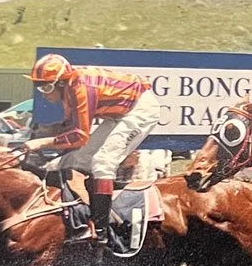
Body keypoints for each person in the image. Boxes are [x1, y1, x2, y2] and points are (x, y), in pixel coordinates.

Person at [22, 54, 160, 246]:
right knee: (81, 160)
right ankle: (88, 213)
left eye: (46, 87)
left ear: (61, 83)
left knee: (103, 162)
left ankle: (102, 229)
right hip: (118, 114)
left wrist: (43, 143)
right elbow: (72, 132)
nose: (43, 93)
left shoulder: (80, 89)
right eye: (39, 87)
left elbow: (79, 135)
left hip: (141, 109)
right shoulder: (69, 89)